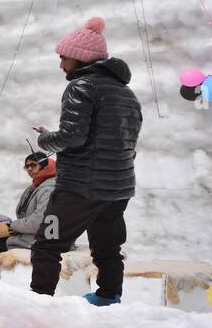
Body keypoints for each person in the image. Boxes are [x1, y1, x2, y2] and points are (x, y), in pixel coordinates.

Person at [29, 17, 142, 306]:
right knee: (107, 246)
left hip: (80, 188)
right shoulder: (127, 94)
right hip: (117, 189)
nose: (61, 65)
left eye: (63, 57)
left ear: (79, 58)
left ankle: (38, 305)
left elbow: (72, 137)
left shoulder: (81, 87)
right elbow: (127, 142)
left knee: (46, 244)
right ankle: (108, 296)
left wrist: (45, 140)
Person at [0, 152, 58, 252]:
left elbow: (39, 221)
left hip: (50, 240)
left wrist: (11, 227)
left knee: (0, 243)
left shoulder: (49, 188)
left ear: (44, 166)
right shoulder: (37, 185)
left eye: (33, 165)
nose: (29, 169)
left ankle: (23, 268)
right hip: (40, 235)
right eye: (27, 166)